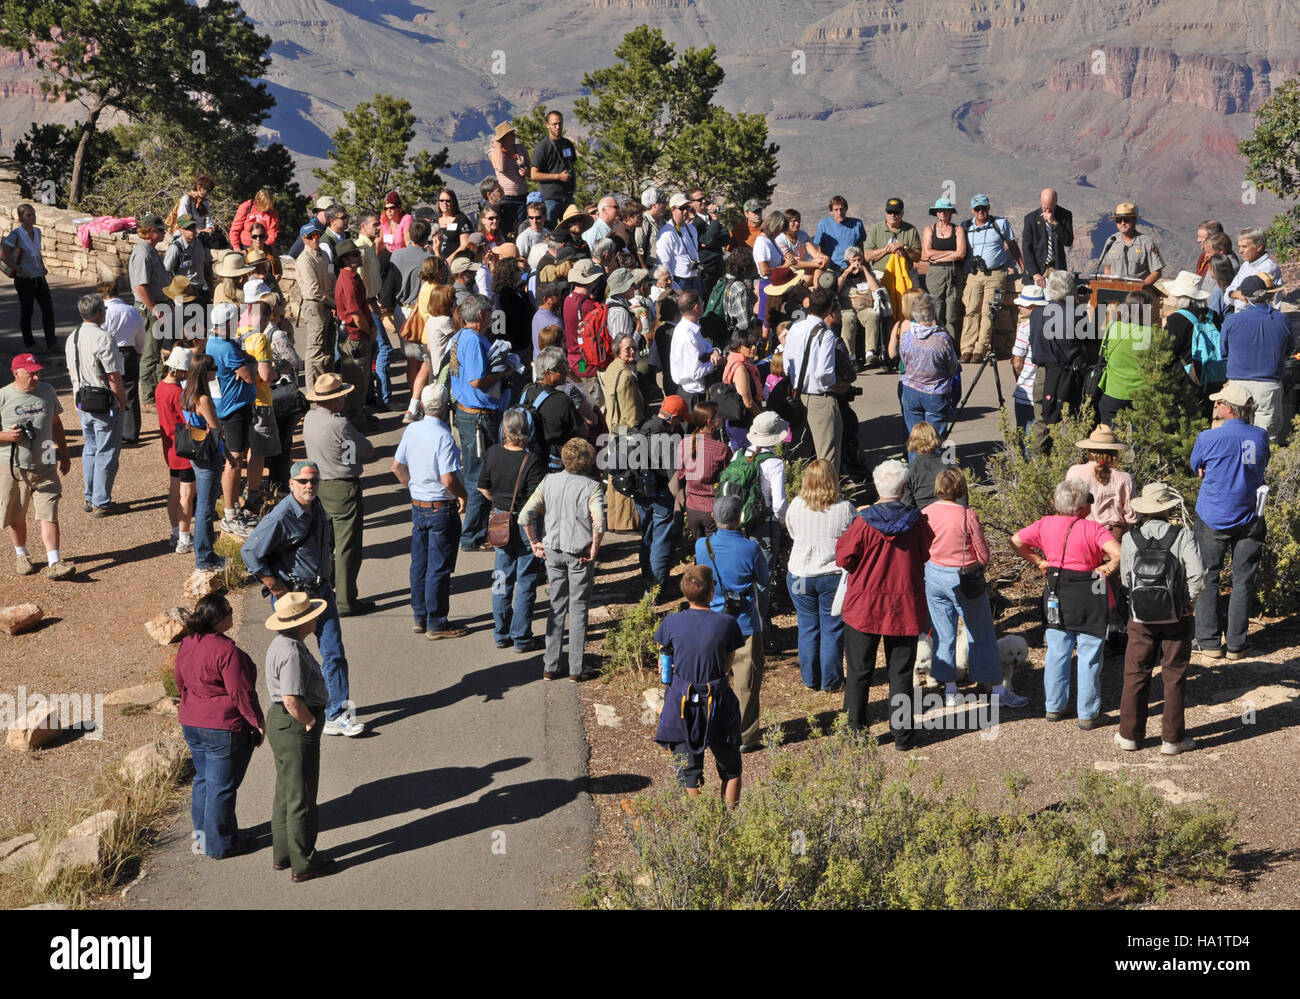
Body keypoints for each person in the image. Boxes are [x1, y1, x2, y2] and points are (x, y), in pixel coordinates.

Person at [241, 460, 366, 737]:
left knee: (334, 652)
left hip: (322, 592)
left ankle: (337, 713)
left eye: (314, 481)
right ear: (292, 484)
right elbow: (249, 552)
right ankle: (290, 708)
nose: (310, 486)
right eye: (303, 481)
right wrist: (275, 587)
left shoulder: (316, 505)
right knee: (292, 655)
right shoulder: (281, 515)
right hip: (295, 597)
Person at [1011, 478, 1122, 728]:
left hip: (1056, 592)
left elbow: (1016, 540)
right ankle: (1087, 712)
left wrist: (1039, 561)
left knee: (1057, 652)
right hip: (1090, 593)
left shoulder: (1045, 524)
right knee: (1089, 654)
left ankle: (1054, 706)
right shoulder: (1093, 529)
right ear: (1081, 507)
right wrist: (1104, 569)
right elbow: (1118, 553)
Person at [835, 459, 930, 750]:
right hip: (904, 606)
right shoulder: (917, 522)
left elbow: (844, 558)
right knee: (900, 673)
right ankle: (902, 736)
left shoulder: (863, 522)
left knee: (859, 672)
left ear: (877, 486)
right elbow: (926, 552)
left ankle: (855, 733)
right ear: (903, 488)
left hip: (864, 605)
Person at [923, 469, 1030, 708]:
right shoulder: (966, 515)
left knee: (943, 633)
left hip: (933, 574)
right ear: (961, 488)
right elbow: (983, 555)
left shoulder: (926, 512)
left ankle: (950, 689)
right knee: (980, 634)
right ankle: (996, 690)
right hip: (963, 578)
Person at [1116, 482, 1205, 755]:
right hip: (1176, 616)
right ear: (1168, 508)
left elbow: (1125, 579)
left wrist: (1139, 603)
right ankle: (1172, 740)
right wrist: (1187, 601)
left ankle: (1129, 735)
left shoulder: (1130, 538)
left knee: (1135, 673)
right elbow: (1199, 576)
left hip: (1141, 617)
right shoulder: (1183, 535)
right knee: (1174, 675)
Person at [175, 592, 264, 859]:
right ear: (219, 619)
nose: (232, 614)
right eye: (229, 611)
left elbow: (180, 681)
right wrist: (256, 722)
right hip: (222, 727)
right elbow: (241, 693)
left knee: (202, 780)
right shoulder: (227, 652)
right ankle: (221, 844)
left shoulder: (187, 643)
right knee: (221, 787)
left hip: (191, 721)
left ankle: (204, 837)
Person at [1190, 384, 1270, 659]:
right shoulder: (1261, 436)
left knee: (1208, 577)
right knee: (1243, 580)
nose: (1216, 407)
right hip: (1249, 514)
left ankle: (1209, 642)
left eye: (1218, 403)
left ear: (1227, 407)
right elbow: (1261, 465)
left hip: (1213, 515)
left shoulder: (1208, 438)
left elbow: (1196, 464)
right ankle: (1237, 643)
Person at [654, 565, 745, 804]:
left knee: (689, 773)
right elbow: (728, 663)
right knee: (731, 767)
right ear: (712, 592)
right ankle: (729, 822)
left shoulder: (671, 622)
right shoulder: (726, 623)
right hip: (717, 700)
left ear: (685, 593)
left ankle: (700, 824)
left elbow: (663, 652)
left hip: (682, 701)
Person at [264, 590, 336, 882]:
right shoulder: (292, 652)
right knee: (302, 796)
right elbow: (293, 699)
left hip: (280, 723)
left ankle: (283, 854)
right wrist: (308, 722)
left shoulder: (280, 644)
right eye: (311, 616)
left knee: (286, 791)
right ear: (301, 622)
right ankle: (304, 862)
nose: (316, 619)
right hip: (295, 724)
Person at [520, 437, 606, 681]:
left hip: (552, 550)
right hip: (579, 553)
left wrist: (534, 541)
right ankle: (576, 668)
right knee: (578, 609)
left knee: (556, 606)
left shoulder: (549, 480)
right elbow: (599, 523)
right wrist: (594, 550)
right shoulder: (592, 487)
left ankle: (551, 664)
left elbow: (525, 515)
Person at [393, 384, 469, 640]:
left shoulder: (412, 429)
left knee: (420, 564)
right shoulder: (444, 437)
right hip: (441, 508)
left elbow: (397, 467)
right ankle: (437, 622)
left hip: (419, 505)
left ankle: (420, 615)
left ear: (423, 405)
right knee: (439, 567)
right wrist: (463, 494)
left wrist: (414, 488)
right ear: (446, 406)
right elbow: (448, 478)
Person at [695, 495, 768, 751]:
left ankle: (711, 726)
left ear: (713, 517)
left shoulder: (702, 546)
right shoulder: (751, 548)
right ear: (740, 518)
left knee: (711, 679)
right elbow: (764, 579)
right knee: (746, 679)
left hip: (712, 621)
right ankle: (745, 735)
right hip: (745, 622)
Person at [302, 373, 374, 617]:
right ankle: (346, 601)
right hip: (342, 486)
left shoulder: (310, 418)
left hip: (319, 485)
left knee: (325, 542)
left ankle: (322, 590)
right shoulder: (339, 424)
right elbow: (363, 451)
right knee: (347, 547)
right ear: (335, 400)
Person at [478, 407, 548, 651]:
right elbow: (537, 502)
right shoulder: (533, 461)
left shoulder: (493, 453)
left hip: (500, 520)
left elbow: (482, 488)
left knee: (501, 578)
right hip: (525, 524)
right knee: (526, 580)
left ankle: (500, 632)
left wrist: (499, 504)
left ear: (505, 431)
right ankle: (521, 636)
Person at [784, 459, 855, 692]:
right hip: (831, 574)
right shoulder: (844, 508)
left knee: (807, 626)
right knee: (832, 628)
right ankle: (831, 680)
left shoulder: (796, 504)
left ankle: (810, 678)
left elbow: (792, 533)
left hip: (800, 573)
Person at [1, 353, 73, 578]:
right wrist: (6, 436)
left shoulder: (48, 391)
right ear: (16, 373)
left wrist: (64, 452)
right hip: (12, 467)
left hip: (46, 463)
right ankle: (22, 555)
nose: (35, 377)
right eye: (30, 373)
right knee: (15, 514)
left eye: (37, 372)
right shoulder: (3, 396)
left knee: (49, 513)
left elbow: (56, 423)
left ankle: (55, 562)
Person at [450, 295, 511, 550]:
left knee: (478, 473)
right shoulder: (473, 340)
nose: (492, 317)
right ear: (480, 316)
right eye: (489, 313)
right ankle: (471, 536)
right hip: (478, 416)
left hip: (471, 413)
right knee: (479, 476)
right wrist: (504, 372)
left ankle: (476, 531)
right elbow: (476, 380)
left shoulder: (460, 337)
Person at [66, 295, 127, 517]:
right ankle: (101, 500)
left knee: (90, 448)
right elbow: (113, 376)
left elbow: (71, 372)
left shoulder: (72, 337)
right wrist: (121, 402)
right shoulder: (103, 338)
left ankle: (90, 495)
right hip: (103, 402)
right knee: (107, 451)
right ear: (100, 312)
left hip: (82, 400)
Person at [204, 304, 260, 537]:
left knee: (233, 460)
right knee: (234, 461)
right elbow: (250, 377)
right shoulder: (227, 348)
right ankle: (230, 514)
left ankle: (234, 507)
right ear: (227, 324)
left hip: (224, 406)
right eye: (235, 321)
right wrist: (252, 362)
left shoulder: (212, 342)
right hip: (234, 410)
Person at [1220, 274, 1295, 440]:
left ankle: (1242, 465)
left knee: (1237, 436)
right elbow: (1289, 350)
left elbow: (1224, 353)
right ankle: (1263, 466)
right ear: (1267, 295)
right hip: (1268, 386)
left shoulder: (1232, 321)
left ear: (1246, 299)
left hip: (1237, 385)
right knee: (1266, 439)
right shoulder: (1282, 320)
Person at [784, 286, 847, 472]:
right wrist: (839, 385)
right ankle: (827, 497)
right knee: (827, 457)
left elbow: (788, 365)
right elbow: (824, 373)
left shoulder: (796, 328)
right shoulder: (825, 333)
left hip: (799, 396)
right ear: (829, 310)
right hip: (821, 400)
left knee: (802, 454)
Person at [633, 395, 689, 590]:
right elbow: (673, 477)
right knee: (661, 538)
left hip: (639, 493)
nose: (680, 423)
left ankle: (647, 577)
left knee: (647, 534)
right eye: (680, 419)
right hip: (660, 493)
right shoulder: (667, 438)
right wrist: (682, 501)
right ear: (672, 417)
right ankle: (657, 586)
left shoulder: (643, 425)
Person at [959, 193, 1021, 362]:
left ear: (989, 208)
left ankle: (980, 349)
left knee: (988, 313)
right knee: (971, 311)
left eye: (984, 208)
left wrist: (1024, 267)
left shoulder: (1000, 224)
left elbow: (1013, 246)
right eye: (978, 209)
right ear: (973, 210)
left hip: (995, 274)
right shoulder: (965, 227)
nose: (981, 212)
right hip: (973, 274)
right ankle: (966, 349)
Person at [179, 352, 226, 572]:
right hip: (209, 455)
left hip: (196, 454)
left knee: (203, 505)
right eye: (213, 368)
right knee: (206, 509)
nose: (216, 371)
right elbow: (215, 426)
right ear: (204, 371)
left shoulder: (187, 393)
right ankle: (205, 558)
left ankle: (206, 554)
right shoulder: (203, 398)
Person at [599, 333, 646, 532]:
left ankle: (615, 520)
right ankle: (627, 523)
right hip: (624, 431)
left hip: (612, 430)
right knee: (627, 477)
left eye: (634, 347)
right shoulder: (626, 376)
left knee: (614, 477)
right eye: (627, 348)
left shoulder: (611, 368)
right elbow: (630, 412)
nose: (632, 351)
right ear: (618, 350)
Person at [1030, 269, 1086, 434]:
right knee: (1068, 420)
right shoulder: (1076, 313)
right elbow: (1082, 343)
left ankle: (1038, 458)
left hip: (1043, 373)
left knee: (1041, 421)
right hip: (1066, 374)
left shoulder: (1037, 313)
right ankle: (1066, 457)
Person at [898, 293, 959, 438]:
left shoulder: (906, 335)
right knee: (934, 439)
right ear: (933, 313)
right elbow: (952, 366)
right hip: (935, 391)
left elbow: (904, 360)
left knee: (915, 438)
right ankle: (934, 461)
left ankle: (915, 461)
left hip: (910, 389)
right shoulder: (942, 338)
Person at [1, 204, 58, 352]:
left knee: (48, 309)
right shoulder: (16, 235)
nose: (33, 218)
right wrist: (19, 269)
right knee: (27, 311)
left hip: (39, 277)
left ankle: (52, 343)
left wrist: (42, 265)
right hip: (24, 279)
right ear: (20, 218)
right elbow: (2, 255)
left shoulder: (38, 232)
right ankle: (30, 344)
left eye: (33, 214)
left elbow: (36, 253)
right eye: (28, 215)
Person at [156, 346, 195, 554]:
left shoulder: (161, 387)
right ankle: (184, 536)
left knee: (173, 491)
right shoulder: (178, 392)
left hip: (169, 446)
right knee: (186, 494)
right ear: (180, 370)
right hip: (184, 447)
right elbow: (187, 419)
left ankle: (175, 532)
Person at [1067, 425, 1137, 539]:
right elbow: (1132, 516)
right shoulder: (1124, 478)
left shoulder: (1074, 471)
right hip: (1112, 535)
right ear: (1115, 452)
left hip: (1081, 532)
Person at [130, 212, 171, 405]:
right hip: (149, 309)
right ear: (151, 231)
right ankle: (147, 397)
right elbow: (140, 286)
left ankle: (154, 391)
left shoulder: (150, 250)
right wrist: (154, 308)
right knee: (150, 352)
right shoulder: (143, 253)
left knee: (157, 350)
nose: (164, 233)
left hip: (157, 306)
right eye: (161, 230)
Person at [99, 281, 147, 445]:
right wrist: (139, 350)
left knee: (108, 389)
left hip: (109, 352)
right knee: (130, 391)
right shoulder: (131, 310)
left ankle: (111, 428)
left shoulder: (103, 312)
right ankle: (131, 432)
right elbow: (141, 333)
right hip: (128, 351)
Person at [679, 401, 729, 540]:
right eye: (719, 415)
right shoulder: (721, 448)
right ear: (710, 421)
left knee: (699, 549)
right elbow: (726, 478)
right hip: (711, 509)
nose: (722, 417)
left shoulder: (684, 443)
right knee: (713, 552)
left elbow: (680, 474)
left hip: (691, 508)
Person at [294, 220, 335, 391]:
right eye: (310, 237)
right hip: (314, 305)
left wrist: (333, 299)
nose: (315, 239)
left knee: (328, 348)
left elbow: (332, 276)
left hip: (327, 303)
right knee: (315, 350)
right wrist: (333, 302)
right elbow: (313, 289)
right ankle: (313, 392)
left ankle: (327, 386)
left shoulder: (324, 255)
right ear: (304, 239)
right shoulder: (304, 259)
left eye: (317, 235)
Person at [921, 198, 968, 338]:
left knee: (952, 312)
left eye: (946, 211)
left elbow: (961, 253)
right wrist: (951, 253)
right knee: (936, 309)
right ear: (936, 213)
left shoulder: (958, 229)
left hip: (954, 273)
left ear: (950, 213)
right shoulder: (929, 230)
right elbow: (927, 253)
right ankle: (935, 343)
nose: (943, 213)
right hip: (935, 274)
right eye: (940, 210)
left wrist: (938, 256)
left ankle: (951, 347)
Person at [1010, 283, 1046, 451]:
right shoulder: (1053, 326)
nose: (1019, 307)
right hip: (1047, 390)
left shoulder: (1026, 327)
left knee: (1025, 437)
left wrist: (1020, 379)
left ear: (1033, 306)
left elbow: (1017, 362)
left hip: (1027, 391)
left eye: (1023, 305)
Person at [667, 291, 718, 408]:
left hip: (694, 392)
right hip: (691, 395)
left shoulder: (692, 329)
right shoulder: (687, 335)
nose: (703, 305)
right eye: (702, 303)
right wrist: (715, 364)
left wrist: (714, 352)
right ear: (696, 307)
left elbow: (707, 347)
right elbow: (695, 372)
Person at [1097, 202, 1165, 287]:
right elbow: (1107, 267)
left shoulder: (1146, 243)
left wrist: (1141, 287)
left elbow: (1157, 272)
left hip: (1137, 296)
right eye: (1118, 220)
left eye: (1126, 220)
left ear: (1134, 220)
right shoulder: (1111, 241)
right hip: (1115, 292)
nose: (1122, 223)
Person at [530, 109, 578, 226]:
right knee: (549, 229)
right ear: (547, 125)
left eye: (560, 124)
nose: (558, 127)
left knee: (572, 227)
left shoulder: (568, 144)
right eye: (554, 124)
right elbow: (534, 175)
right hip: (550, 198)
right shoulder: (542, 147)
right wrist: (558, 176)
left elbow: (572, 165)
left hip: (567, 196)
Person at [1021, 188, 1073, 287]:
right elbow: (1026, 248)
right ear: (1040, 202)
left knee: (1059, 301)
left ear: (1056, 202)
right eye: (1045, 207)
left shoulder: (1065, 215)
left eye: (1051, 207)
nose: (1048, 211)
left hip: (1056, 268)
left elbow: (1068, 241)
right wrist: (1034, 273)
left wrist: (1055, 223)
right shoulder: (1030, 219)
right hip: (1037, 269)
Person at [1226, 227, 1283, 312]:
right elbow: (1227, 295)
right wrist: (1234, 294)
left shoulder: (1268, 268)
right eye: (1239, 246)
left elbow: (1247, 302)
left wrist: (1234, 294)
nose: (1240, 251)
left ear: (1259, 247)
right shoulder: (1246, 265)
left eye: (1244, 247)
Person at [899, 421, 953, 509]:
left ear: (912, 441)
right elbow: (962, 500)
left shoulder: (908, 471)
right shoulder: (951, 466)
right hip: (949, 516)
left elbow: (907, 505)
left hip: (923, 518)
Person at [656, 194, 702, 295]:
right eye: (682, 208)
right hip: (679, 281)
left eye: (687, 208)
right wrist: (669, 285)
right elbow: (663, 263)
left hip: (695, 279)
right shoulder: (667, 233)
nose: (685, 211)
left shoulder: (692, 229)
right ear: (673, 210)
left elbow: (695, 253)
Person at [164, 214, 213, 301]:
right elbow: (165, 273)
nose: (192, 230)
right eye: (188, 228)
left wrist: (211, 288)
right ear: (180, 229)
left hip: (201, 290)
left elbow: (206, 268)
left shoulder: (201, 244)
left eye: (193, 226)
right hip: (183, 294)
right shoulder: (176, 248)